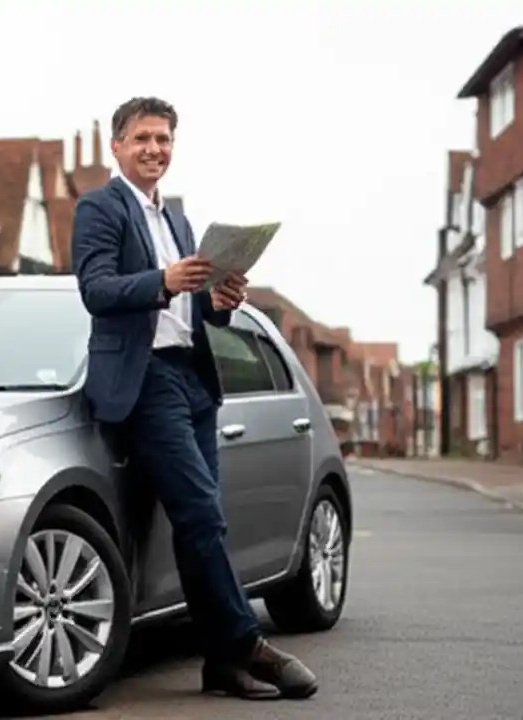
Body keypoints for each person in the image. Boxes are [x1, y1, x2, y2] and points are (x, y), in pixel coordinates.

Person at [70, 96, 318, 700]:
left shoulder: (178, 221)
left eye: (165, 140)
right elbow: (95, 289)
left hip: (192, 376)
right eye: (143, 139)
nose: (155, 149)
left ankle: (220, 665)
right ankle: (245, 642)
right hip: (146, 381)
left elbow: (194, 308)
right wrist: (161, 280)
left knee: (201, 522)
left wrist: (219, 298)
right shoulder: (99, 208)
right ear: (118, 146)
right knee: (202, 513)